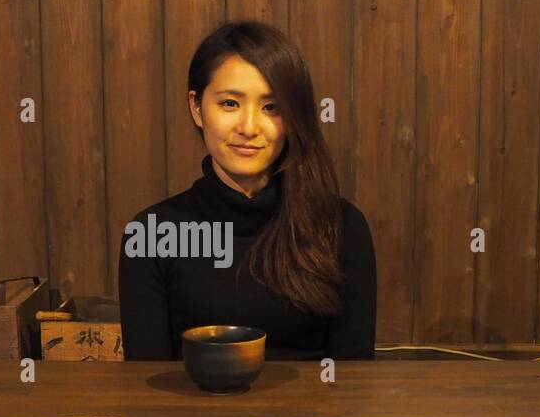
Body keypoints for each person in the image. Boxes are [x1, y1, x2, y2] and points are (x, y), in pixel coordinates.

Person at [118, 20, 376, 361]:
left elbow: (353, 376)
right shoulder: (152, 234)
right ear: (197, 107)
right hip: (190, 415)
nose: (250, 127)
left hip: (314, 416)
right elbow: (145, 381)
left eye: (271, 107)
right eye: (229, 104)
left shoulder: (341, 226)